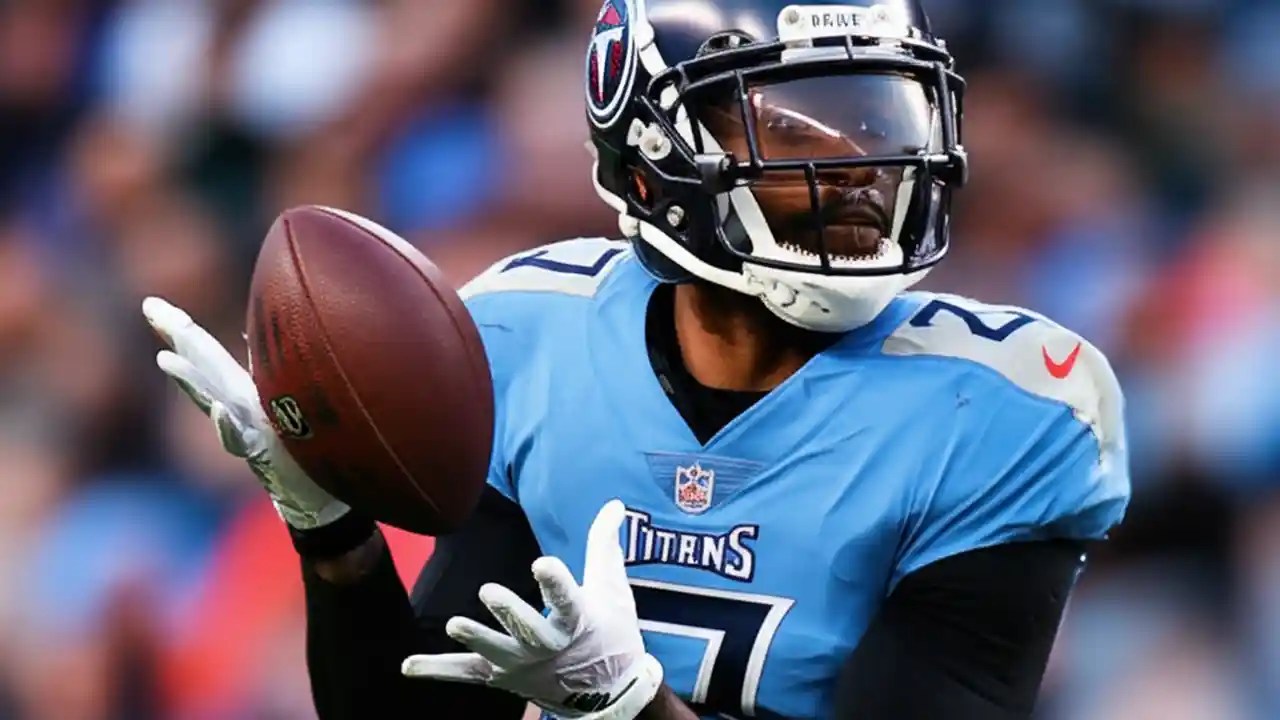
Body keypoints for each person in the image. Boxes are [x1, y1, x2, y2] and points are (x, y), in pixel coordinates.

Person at [144, 1, 1131, 718]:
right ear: (656, 155)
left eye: (878, 117)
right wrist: (330, 533)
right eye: (795, 126)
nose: (861, 168)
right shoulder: (533, 336)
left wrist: (626, 709)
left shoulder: (1003, 412)